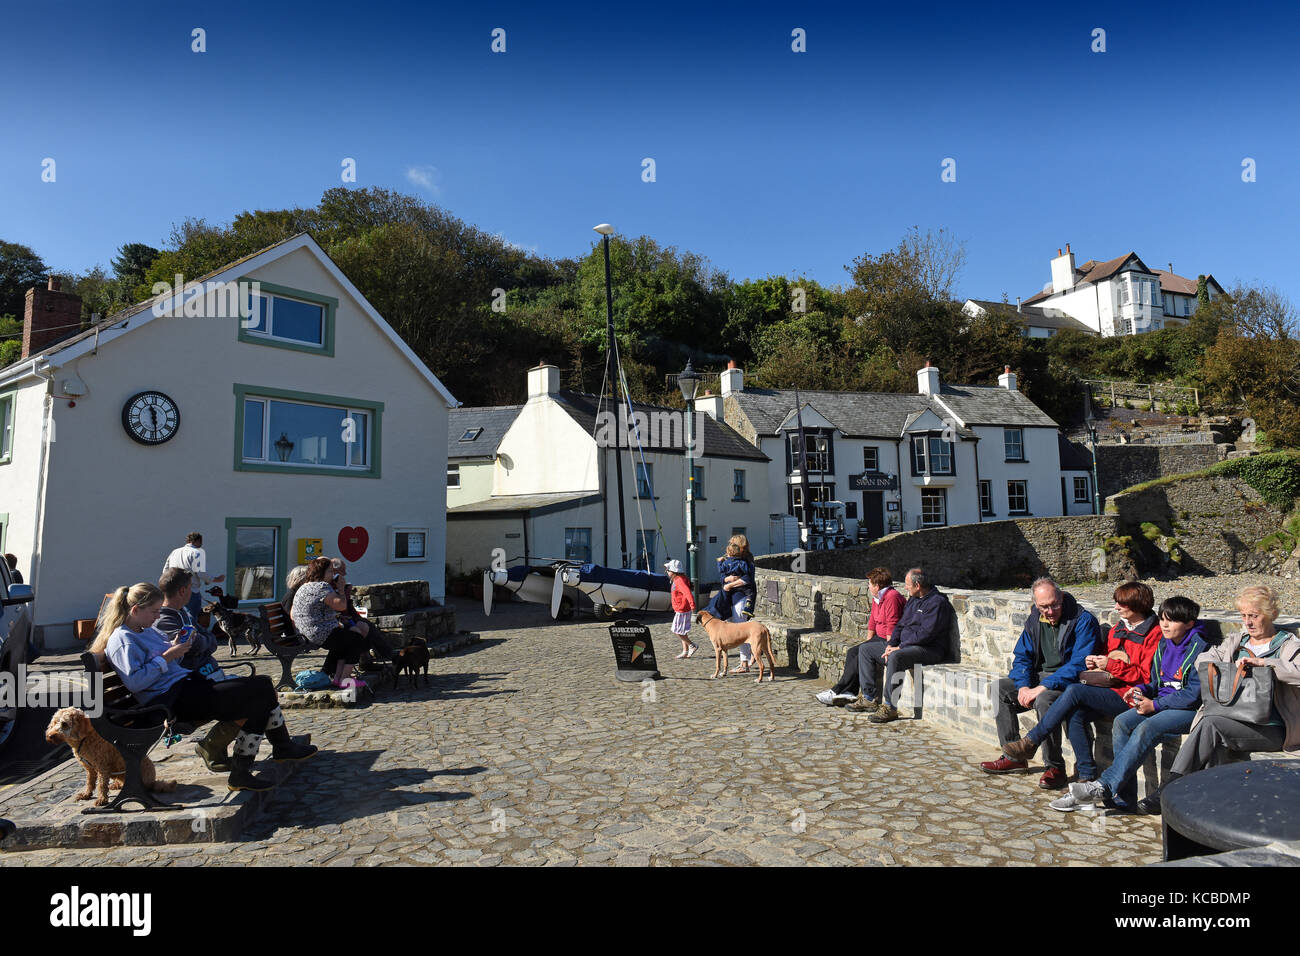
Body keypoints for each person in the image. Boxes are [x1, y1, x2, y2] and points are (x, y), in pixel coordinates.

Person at [90, 583, 316, 791]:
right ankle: (270, 754)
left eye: (159, 611)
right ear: (135, 610)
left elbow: (166, 664)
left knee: (260, 692)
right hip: (170, 702)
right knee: (259, 690)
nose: (157, 616)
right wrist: (168, 656)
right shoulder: (122, 640)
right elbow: (136, 681)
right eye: (154, 612)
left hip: (186, 689)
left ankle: (247, 769)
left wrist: (177, 648)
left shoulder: (144, 630)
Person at [1051, 595, 1209, 814]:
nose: (1164, 624)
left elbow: (1193, 694)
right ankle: (1125, 801)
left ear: (1189, 624)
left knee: (1146, 726)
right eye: (1162, 618)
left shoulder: (1200, 649)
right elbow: (1154, 682)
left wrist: (1154, 705)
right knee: (1123, 722)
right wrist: (1140, 690)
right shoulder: (1164, 644)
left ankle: (1104, 785)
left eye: (1171, 621)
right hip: (1161, 702)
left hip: (1187, 710)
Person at [1149, 586, 1300, 806]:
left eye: (1254, 616)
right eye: (1244, 616)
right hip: (1234, 718)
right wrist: (1227, 666)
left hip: (1273, 728)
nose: (1247, 622)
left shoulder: (1288, 645)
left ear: (1270, 615)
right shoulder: (1237, 641)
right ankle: (1194, 803)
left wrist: (1265, 664)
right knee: (1212, 735)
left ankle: (1170, 790)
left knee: (1210, 725)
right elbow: (1202, 661)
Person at [1001, 582, 1161, 785]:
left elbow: (1147, 678)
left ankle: (1032, 741)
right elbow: (1023, 656)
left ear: (1138, 605)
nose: (1116, 608)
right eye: (1117, 603)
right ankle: (1086, 776)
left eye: (1121, 604)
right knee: (1074, 713)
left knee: (1072, 691)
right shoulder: (1118, 629)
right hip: (1109, 688)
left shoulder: (1154, 635)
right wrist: (1094, 662)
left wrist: (1110, 664)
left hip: (1132, 695)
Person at [980, 577, 1101, 790]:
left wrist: (1042, 687)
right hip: (1038, 677)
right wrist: (1025, 686)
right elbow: (1021, 657)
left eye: (1054, 604)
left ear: (1062, 597)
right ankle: (1014, 755)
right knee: (999, 688)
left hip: (1069, 681)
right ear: (1036, 605)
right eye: (1044, 606)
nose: (1050, 611)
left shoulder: (1083, 620)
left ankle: (1055, 767)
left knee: (1045, 700)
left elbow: (1080, 664)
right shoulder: (1035, 619)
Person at [154, 568, 244, 772]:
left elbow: (209, 641)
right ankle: (215, 748)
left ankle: (278, 744)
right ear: (184, 590)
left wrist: (201, 642)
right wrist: (201, 643)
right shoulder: (165, 619)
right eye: (193, 587)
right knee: (255, 697)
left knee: (263, 694)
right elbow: (196, 645)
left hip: (210, 678)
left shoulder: (183, 614)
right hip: (198, 686)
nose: (195, 591)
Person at [852, 567, 954, 723]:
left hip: (929, 649)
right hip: (906, 645)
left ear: (917, 585)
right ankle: (869, 698)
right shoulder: (913, 599)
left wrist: (900, 647)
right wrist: (891, 643)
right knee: (865, 649)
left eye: (907, 584)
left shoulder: (937, 603)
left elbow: (926, 634)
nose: (905, 587)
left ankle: (889, 707)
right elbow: (900, 625)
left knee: (896, 656)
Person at [816, 567, 905, 707]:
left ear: (877, 585)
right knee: (853, 651)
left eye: (869, 583)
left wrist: (889, 648)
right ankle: (849, 692)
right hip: (880, 637)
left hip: (892, 640)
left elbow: (892, 626)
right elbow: (873, 622)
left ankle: (839, 690)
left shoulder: (891, 597)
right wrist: (868, 642)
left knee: (863, 651)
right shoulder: (878, 598)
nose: (868, 586)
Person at [292, 557, 368, 688]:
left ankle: (338, 678)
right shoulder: (321, 587)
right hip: (318, 632)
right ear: (321, 573)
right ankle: (345, 679)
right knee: (356, 638)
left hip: (308, 630)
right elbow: (342, 606)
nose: (333, 574)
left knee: (347, 637)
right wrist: (341, 589)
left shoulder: (305, 586)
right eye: (330, 571)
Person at [701, 535, 756, 672]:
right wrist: (728, 579)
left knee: (740, 630)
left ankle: (744, 663)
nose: (729, 545)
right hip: (729, 597)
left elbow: (747, 579)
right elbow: (721, 578)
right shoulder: (728, 560)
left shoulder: (746, 562)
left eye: (732, 543)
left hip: (741, 597)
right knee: (734, 628)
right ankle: (750, 656)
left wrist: (730, 586)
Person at [162, 532, 225, 619]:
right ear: (198, 541)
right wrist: (217, 579)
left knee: (176, 618)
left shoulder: (175, 552)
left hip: (174, 592)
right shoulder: (197, 552)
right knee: (191, 620)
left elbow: (166, 572)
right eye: (201, 542)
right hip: (190, 591)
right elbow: (201, 573)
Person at [664, 559, 697, 659]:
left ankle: (692, 645)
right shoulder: (679, 579)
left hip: (682, 610)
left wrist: (692, 605)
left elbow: (687, 592)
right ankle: (685, 651)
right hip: (681, 609)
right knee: (682, 631)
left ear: (673, 571)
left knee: (676, 630)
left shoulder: (679, 581)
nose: (666, 571)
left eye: (668, 570)